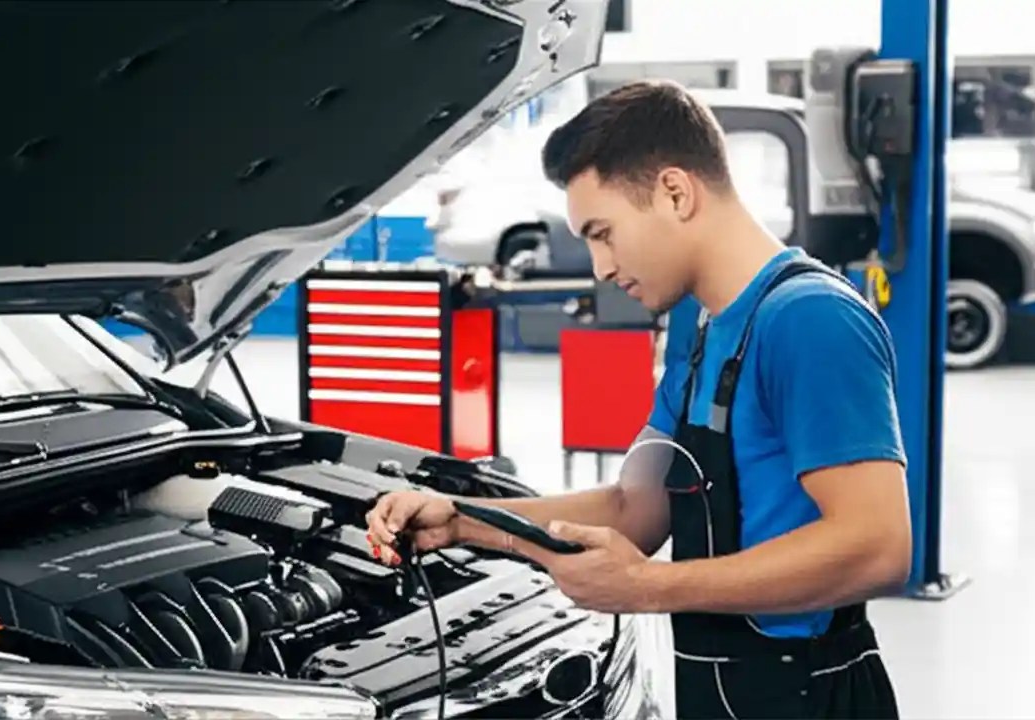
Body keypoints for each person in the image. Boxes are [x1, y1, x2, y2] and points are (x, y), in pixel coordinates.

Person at [365, 80, 910, 719]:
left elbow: (878, 546)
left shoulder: (810, 320)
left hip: (810, 697)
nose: (599, 265)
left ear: (675, 193)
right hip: (721, 690)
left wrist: (650, 587)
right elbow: (636, 509)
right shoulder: (698, 325)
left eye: (603, 232)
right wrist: (462, 519)